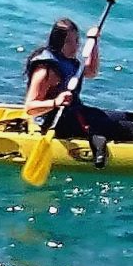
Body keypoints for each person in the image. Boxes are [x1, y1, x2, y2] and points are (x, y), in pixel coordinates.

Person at [23, 14, 112, 167]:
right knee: (114, 125)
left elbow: (91, 72)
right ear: (59, 43)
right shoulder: (45, 70)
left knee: (124, 119)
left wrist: (94, 43)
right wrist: (55, 102)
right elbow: (30, 108)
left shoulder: (70, 61)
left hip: (75, 115)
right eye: (70, 42)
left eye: (77, 41)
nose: (76, 46)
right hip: (56, 122)